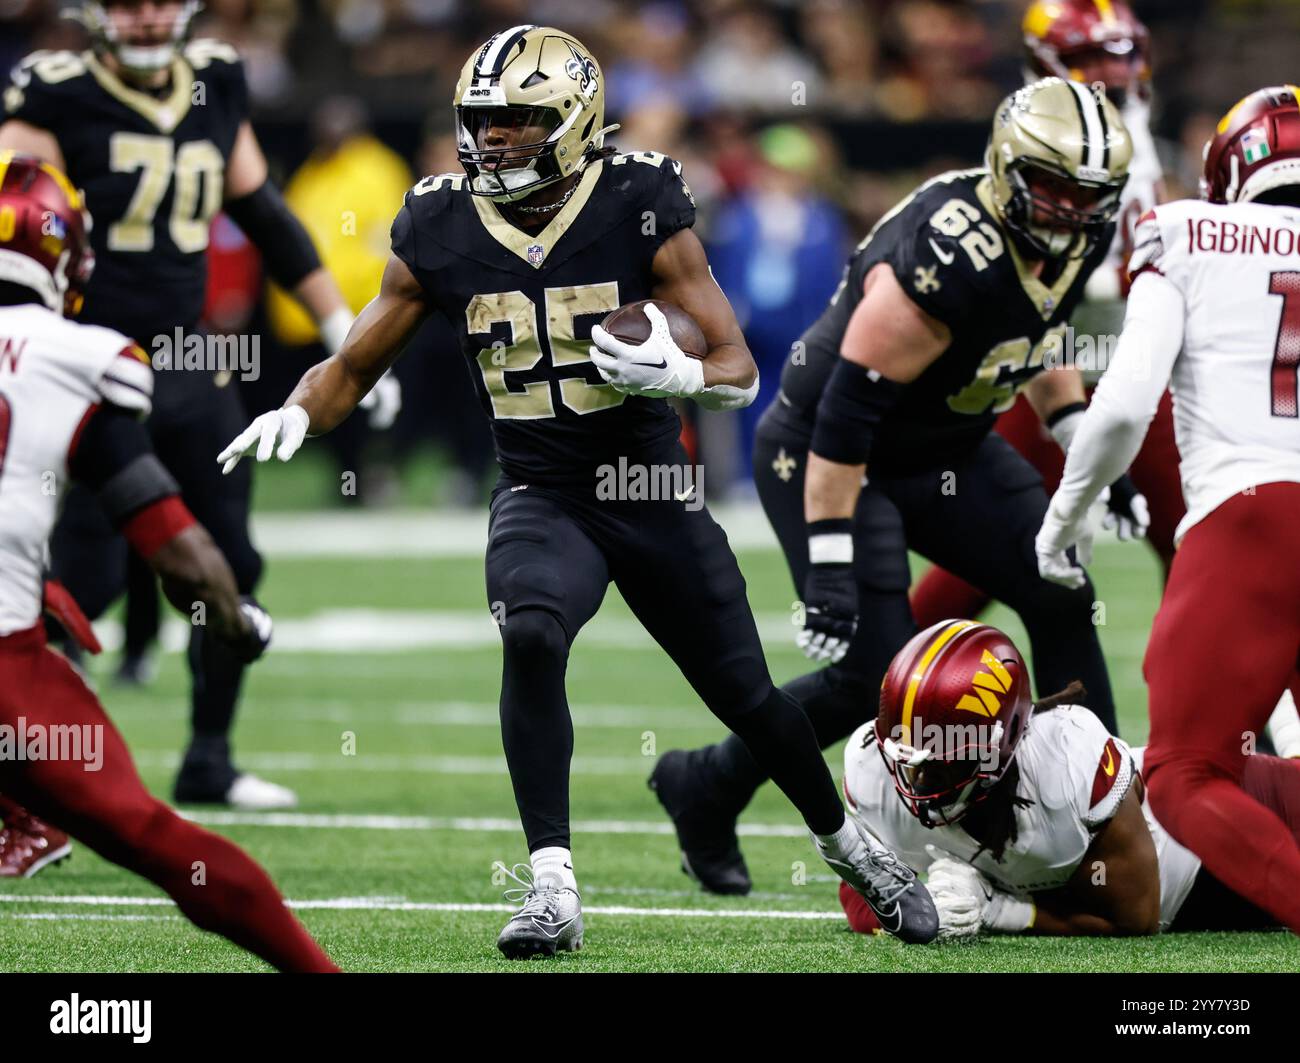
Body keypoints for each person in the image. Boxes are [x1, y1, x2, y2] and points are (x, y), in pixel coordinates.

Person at [216, 25, 939, 956]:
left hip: (647, 488)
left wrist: (674, 377)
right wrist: (298, 409)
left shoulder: (637, 196)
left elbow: (737, 366)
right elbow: (355, 359)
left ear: (572, 119)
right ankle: (553, 886)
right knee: (529, 630)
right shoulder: (440, 218)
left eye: (517, 121)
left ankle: (853, 850)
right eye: (483, 121)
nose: (494, 140)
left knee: (749, 697)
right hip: (541, 488)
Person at [653, 78, 1144, 896]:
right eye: (1054, 189)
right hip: (834, 454)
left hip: (945, 444)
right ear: (1010, 171)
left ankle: (1101, 818)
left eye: (1088, 195)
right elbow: (844, 425)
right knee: (870, 670)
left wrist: (1076, 437)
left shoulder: (1074, 232)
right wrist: (834, 563)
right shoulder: (946, 255)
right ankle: (706, 782)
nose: (1069, 210)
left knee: (1060, 590)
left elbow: (1042, 326)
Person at [0, 1, 400, 870]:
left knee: (233, 563)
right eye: (125, 2)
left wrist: (344, 330)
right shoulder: (52, 91)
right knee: (83, 578)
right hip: (91, 360)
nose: (144, 17)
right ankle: (26, 789)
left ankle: (209, 758)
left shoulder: (216, 76)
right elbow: (22, 222)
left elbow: (261, 210)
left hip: (190, 361)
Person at [0, 152, 336, 970]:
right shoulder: (71, 355)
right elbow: (176, 547)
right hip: (8, 671)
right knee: (159, 841)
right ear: (64, 258)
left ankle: (21, 818)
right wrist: (232, 616)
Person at [1036, 86, 1300, 933]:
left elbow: (1118, 408)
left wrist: (1061, 521)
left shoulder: (1186, 230)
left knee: (1185, 776)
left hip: (1248, 513)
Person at [910, 0, 1181, 631]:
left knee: (1191, 539)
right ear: (1048, 60)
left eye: (1122, 55)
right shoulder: (1040, 135)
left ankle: (1225, 719)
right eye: (1092, 57)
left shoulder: (1132, 117)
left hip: (1132, 364)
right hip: (1053, 370)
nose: (1113, 73)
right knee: (997, 549)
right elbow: (1043, 279)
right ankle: (887, 679)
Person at [839, 621, 1298, 938]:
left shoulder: (1066, 760)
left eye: (944, 760)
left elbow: (1134, 918)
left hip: (1231, 823)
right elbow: (862, 902)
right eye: (909, 754)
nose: (919, 778)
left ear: (1002, 743)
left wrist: (999, 909)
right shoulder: (873, 770)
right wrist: (925, 911)